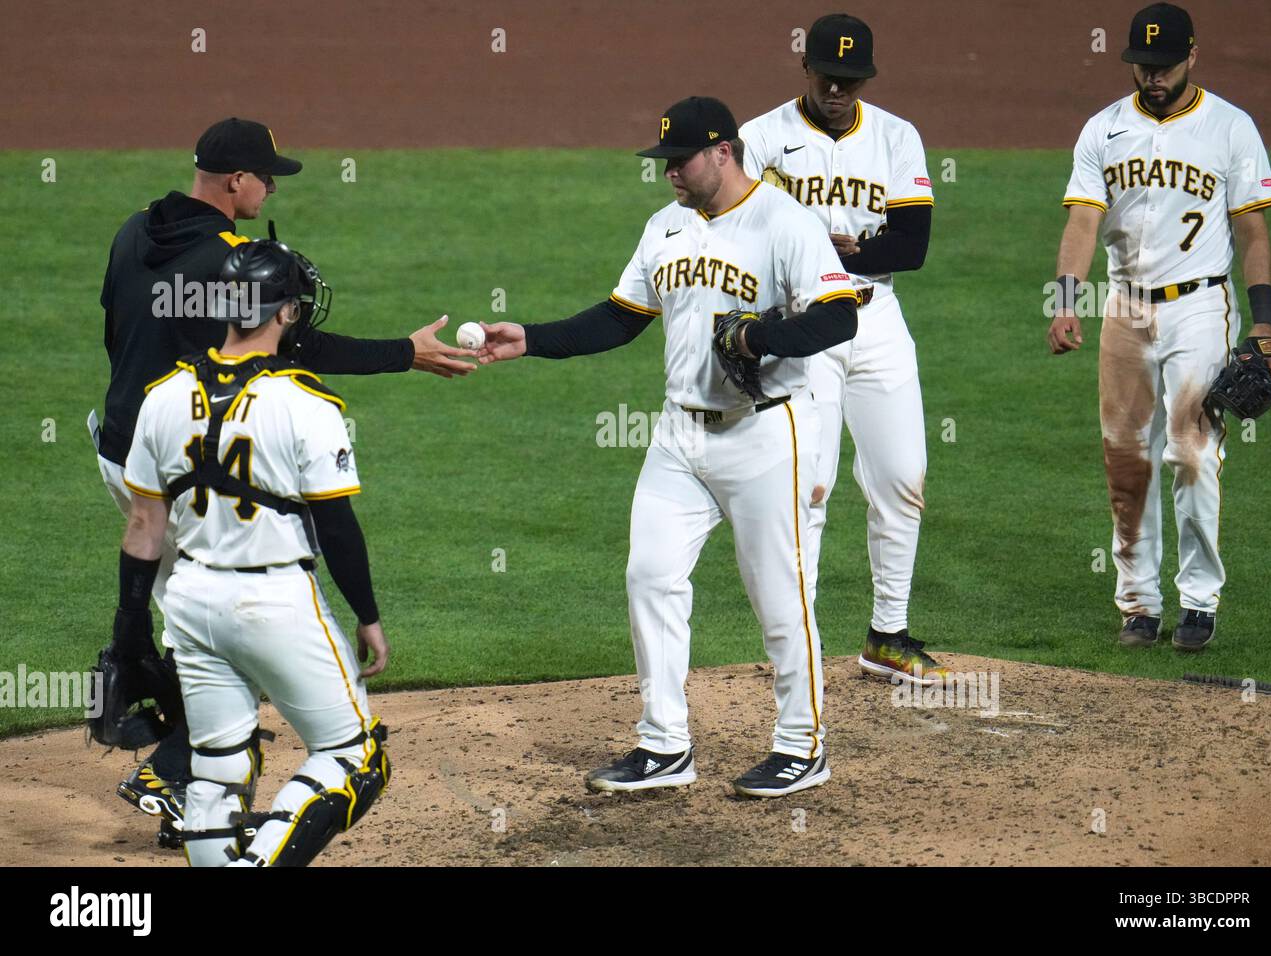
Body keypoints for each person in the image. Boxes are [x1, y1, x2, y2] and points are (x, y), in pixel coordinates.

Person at [95, 117, 473, 845]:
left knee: (188, 607)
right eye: (267, 177)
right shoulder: (234, 261)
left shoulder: (133, 230)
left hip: (133, 447)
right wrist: (406, 352)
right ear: (236, 181)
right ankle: (176, 771)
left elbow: (116, 329)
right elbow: (293, 343)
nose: (270, 188)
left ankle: (188, 760)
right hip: (198, 464)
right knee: (243, 607)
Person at [476, 96, 859, 797]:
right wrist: (529, 338)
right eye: (663, 163)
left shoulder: (786, 223)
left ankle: (803, 747)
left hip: (766, 433)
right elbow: (621, 320)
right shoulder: (666, 225)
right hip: (679, 438)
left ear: (723, 152)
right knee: (649, 577)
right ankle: (663, 745)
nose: (669, 175)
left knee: (780, 596)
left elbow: (838, 321)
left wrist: (757, 337)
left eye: (678, 161)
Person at [118, 238, 391, 866]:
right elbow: (338, 529)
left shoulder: (162, 396)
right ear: (285, 313)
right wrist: (368, 617)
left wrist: (129, 627)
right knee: (355, 758)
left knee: (217, 771)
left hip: (189, 603)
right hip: (273, 603)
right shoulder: (305, 402)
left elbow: (142, 528)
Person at [1047, 3, 1271, 650]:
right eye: (1143, 66)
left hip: (1200, 305)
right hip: (1124, 308)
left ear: (1191, 57)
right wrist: (1067, 300)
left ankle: (1199, 600)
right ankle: (1139, 606)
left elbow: (1252, 230)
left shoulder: (1230, 127)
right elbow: (1083, 222)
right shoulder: (1103, 129)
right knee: (1126, 459)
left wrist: (1262, 325)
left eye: (1164, 65)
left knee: (1192, 451)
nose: (1152, 77)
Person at [739, 13, 949, 686]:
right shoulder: (761, 138)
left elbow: (911, 247)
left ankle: (888, 635)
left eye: (851, 81)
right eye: (829, 78)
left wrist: (850, 250)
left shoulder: (895, 136)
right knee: (814, 485)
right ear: (806, 69)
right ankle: (798, 643)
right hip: (805, 326)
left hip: (877, 316)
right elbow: (735, 235)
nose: (838, 91)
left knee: (903, 477)